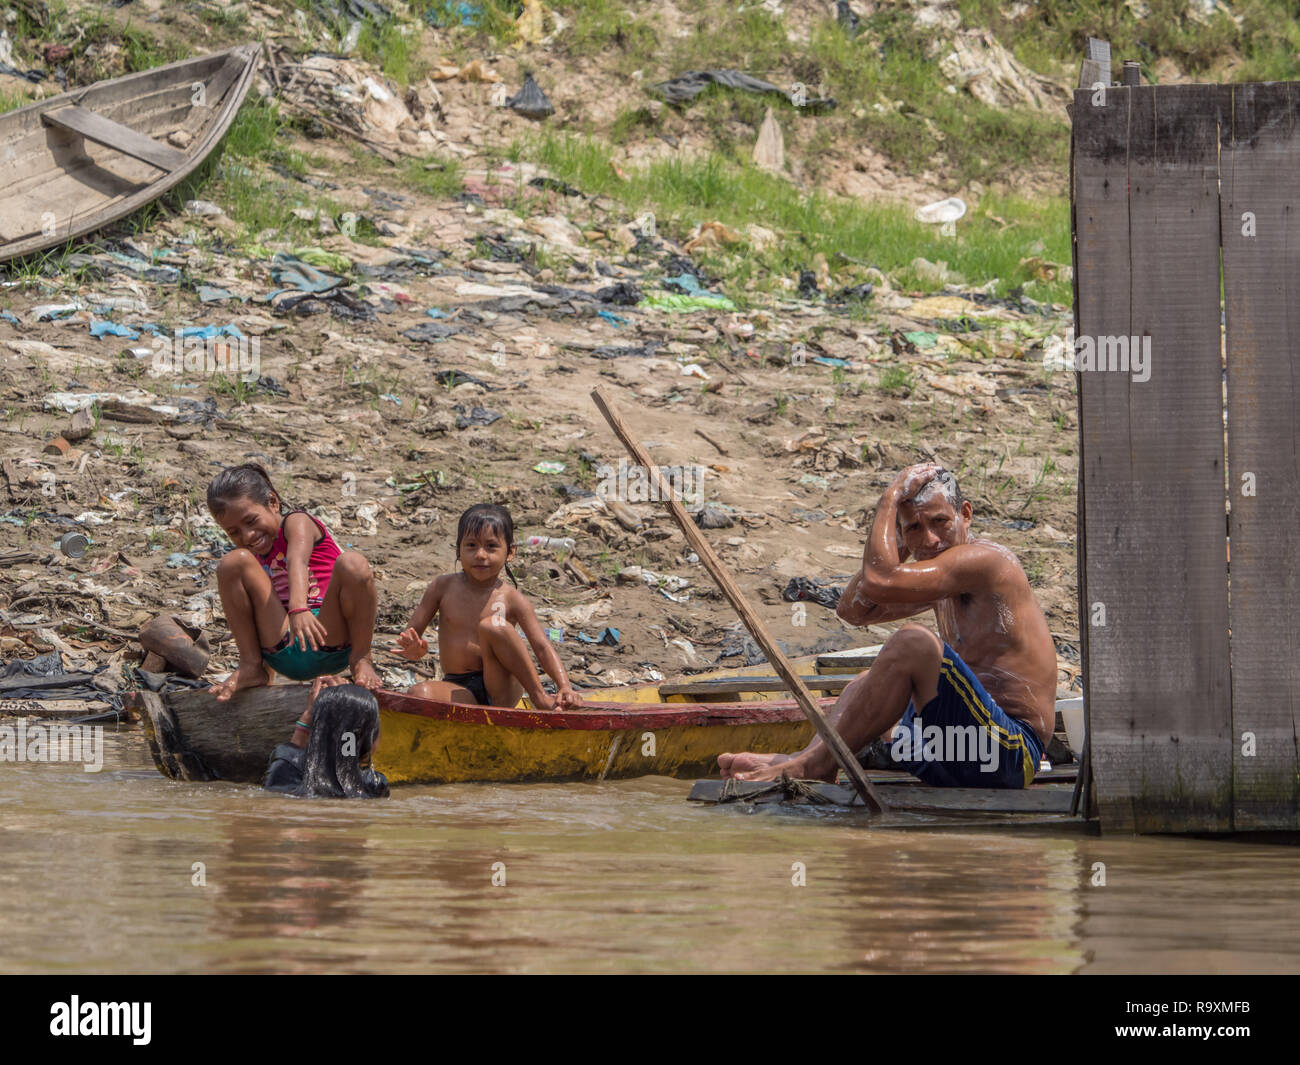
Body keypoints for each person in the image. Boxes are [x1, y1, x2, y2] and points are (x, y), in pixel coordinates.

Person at [719, 463, 1058, 788]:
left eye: (940, 522)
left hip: (1006, 756)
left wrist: (889, 499)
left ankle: (813, 764)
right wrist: (901, 541)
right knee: (865, 681)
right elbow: (854, 609)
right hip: (947, 750)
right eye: (914, 528)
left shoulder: (986, 562)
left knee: (913, 643)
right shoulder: (940, 575)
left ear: (965, 515)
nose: (930, 540)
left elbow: (880, 579)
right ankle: (809, 758)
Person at [205, 462, 382, 700]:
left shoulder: (297, 521)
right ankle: (251, 667)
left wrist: (299, 608)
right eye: (234, 532)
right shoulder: (250, 554)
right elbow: (256, 608)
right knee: (232, 562)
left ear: (273, 502)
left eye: (251, 521)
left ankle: (361, 658)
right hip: (283, 646)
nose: (247, 535)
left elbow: (296, 560)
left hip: (329, 637)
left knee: (353, 564)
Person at [394, 503, 582, 711]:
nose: (481, 555)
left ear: (510, 552)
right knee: (418, 693)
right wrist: (413, 649)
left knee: (493, 625)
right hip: (458, 686)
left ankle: (540, 698)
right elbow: (410, 635)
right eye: (471, 546)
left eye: (491, 546)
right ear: (458, 550)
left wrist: (564, 686)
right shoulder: (442, 587)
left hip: (501, 688)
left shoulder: (512, 599)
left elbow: (542, 646)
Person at [264, 676, 389, 798]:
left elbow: (289, 757)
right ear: (370, 737)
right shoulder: (375, 784)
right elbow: (347, 746)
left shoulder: (284, 771)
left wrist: (309, 713)